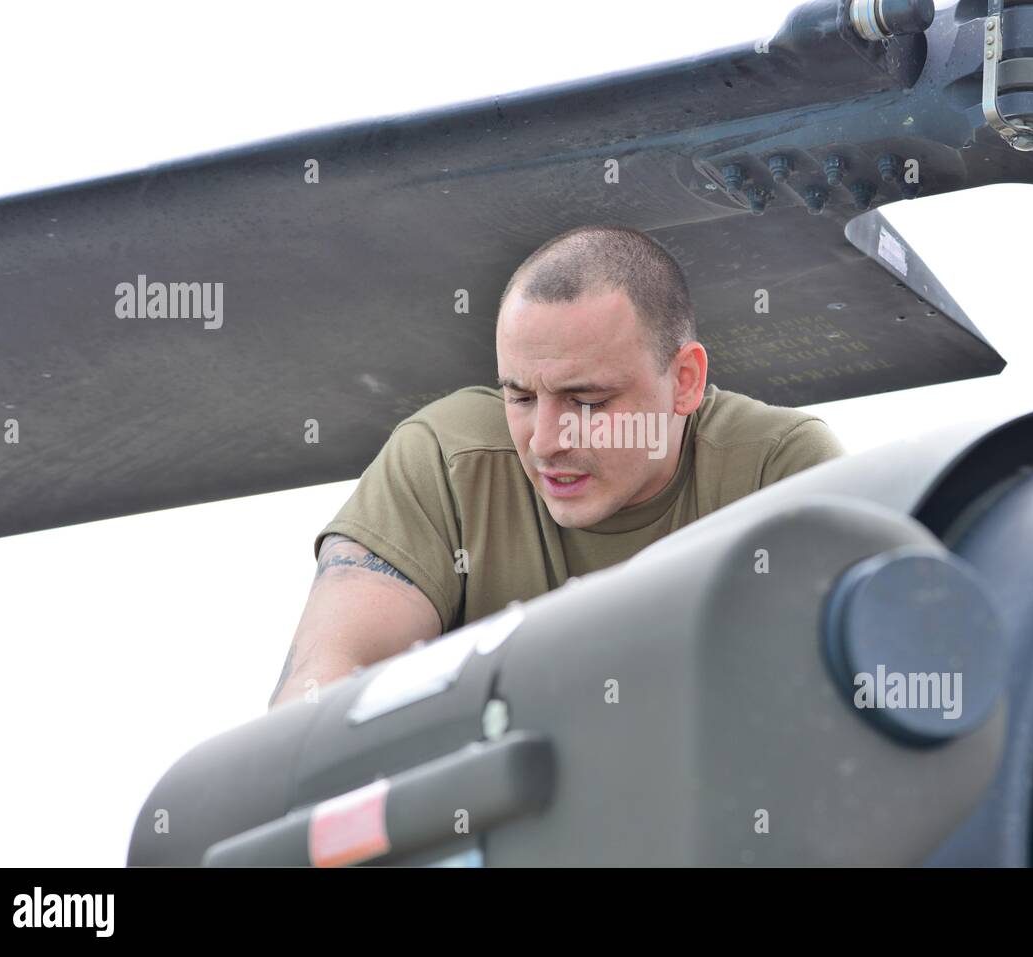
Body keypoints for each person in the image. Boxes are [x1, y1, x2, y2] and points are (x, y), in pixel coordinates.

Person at [269, 224, 845, 708]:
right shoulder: (447, 462)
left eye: (587, 401)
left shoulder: (779, 471)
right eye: (519, 397)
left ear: (685, 381)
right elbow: (317, 699)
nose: (545, 442)